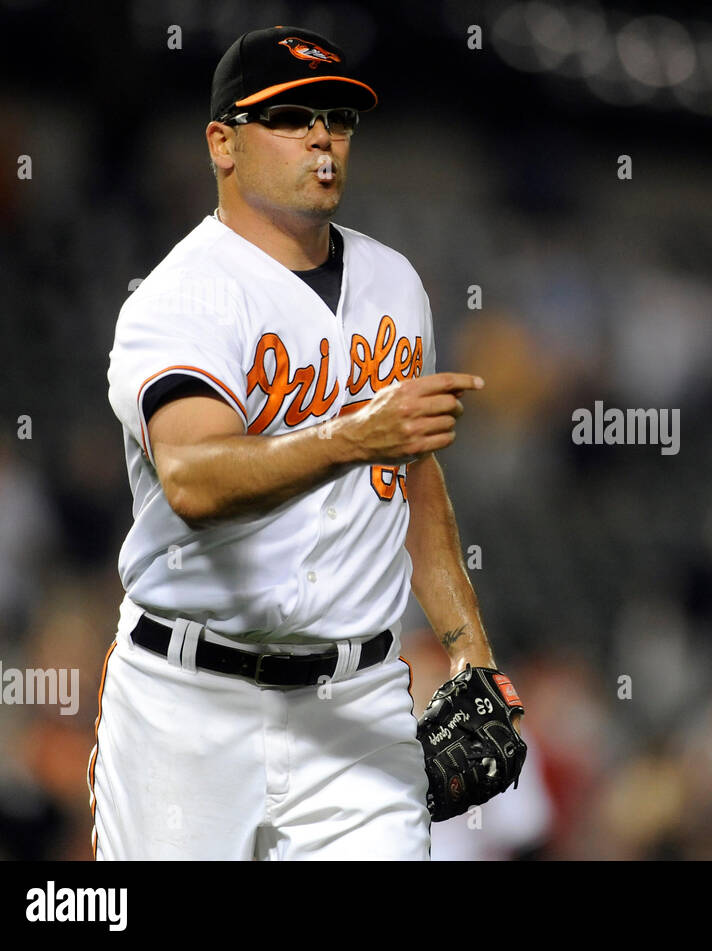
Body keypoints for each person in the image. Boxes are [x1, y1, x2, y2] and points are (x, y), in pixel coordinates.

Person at [91, 25, 518, 860]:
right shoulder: (184, 298)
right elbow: (192, 479)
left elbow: (411, 470)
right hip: (187, 704)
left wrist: (470, 651)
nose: (322, 135)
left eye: (337, 117)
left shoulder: (396, 282)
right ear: (222, 143)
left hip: (356, 704)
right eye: (289, 116)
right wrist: (356, 435)